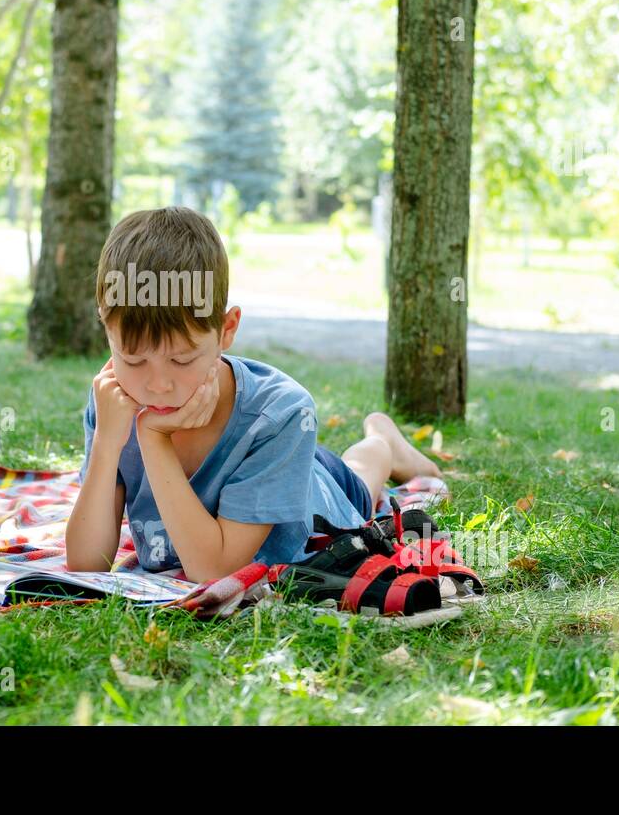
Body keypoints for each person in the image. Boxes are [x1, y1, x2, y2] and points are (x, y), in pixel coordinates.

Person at [65, 207, 441, 583]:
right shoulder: (113, 400)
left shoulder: (281, 413)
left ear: (226, 331)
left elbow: (213, 570)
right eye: (133, 359)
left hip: (314, 492)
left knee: (361, 479)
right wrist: (106, 442)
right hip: (269, 467)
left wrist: (153, 437)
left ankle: (382, 441)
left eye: (182, 360)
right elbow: (87, 562)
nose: (157, 385)